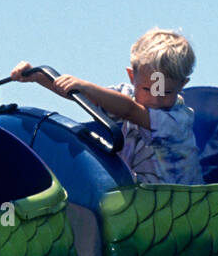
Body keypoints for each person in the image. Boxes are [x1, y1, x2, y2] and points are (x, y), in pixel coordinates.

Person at [11, 28, 203, 185]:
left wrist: (85, 86)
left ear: (182, 85)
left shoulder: (178, 118)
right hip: (140, 199)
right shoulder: (121, 96)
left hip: (179, 201)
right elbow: (80, 96)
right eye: (147, 89)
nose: (155, 100)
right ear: (131, 76)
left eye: (165, 92)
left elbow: (131, 111)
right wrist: (37, 77)